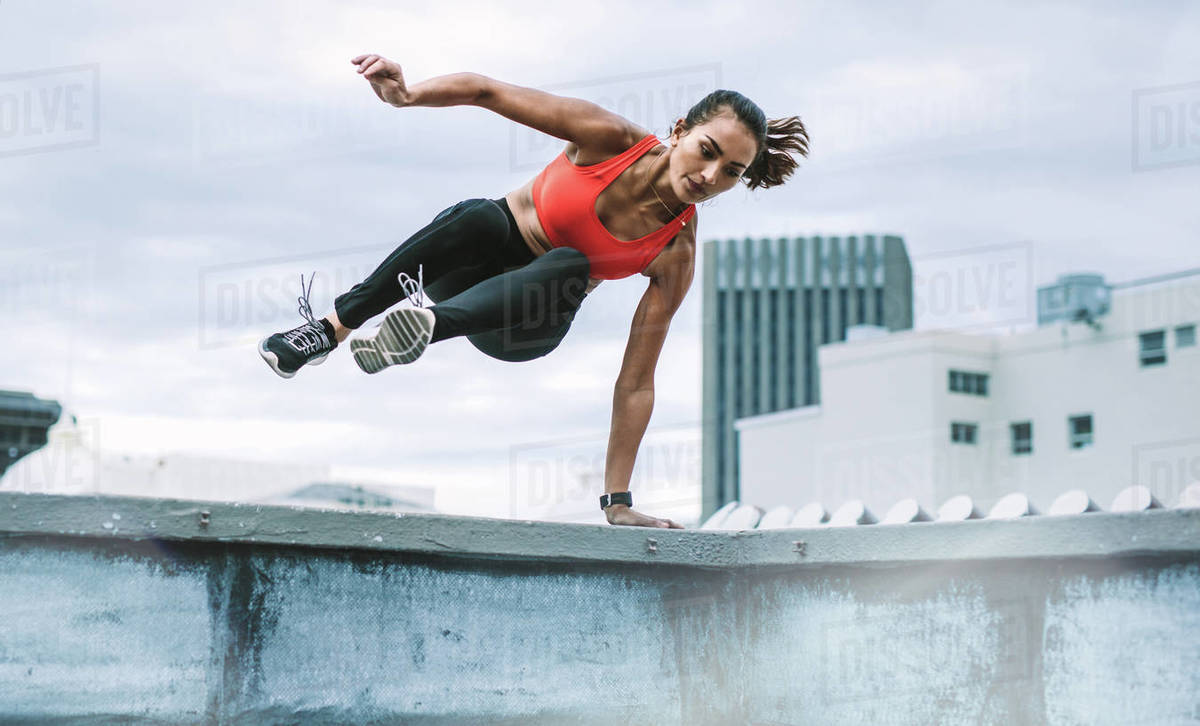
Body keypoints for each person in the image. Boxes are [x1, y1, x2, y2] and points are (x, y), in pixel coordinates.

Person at [259, 54, 809, 529]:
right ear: (680, 128)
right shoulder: (607, 138)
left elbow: (637, 381)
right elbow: (485, 90)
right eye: (707, 150)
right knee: (480, 216)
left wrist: (617, 501)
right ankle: (329, 331)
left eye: (732, 171)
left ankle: (426, 328)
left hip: (522, 325)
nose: (711, 175)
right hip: (468, 274)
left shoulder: (676, 251)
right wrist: (406, 95)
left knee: (569, 261)